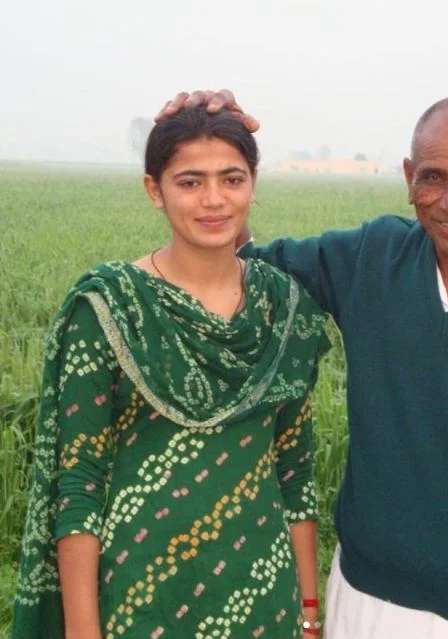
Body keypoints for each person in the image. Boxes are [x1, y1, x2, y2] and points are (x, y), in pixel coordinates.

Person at [158, 91, 448, 639]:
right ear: (410, 177)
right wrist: (218, 132)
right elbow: (251, 271)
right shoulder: (372, 258)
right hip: (370, 604)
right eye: (433, 177)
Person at [11, 106, 329, 639]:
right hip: (140, 600)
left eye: (232, 179)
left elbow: (294, 475)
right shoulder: (113, 306)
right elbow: (79, 486)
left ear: (252, 185)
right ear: (154, 190)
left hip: (263, 601)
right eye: (190, 181)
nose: (213, 200)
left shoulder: (283, 309)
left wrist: (309, 615)